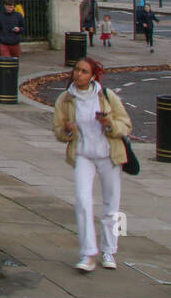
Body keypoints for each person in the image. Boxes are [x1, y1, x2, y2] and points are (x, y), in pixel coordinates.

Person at [52, 57, 131, 271]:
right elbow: (58, 130)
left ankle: (109, 251)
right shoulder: (65, 99)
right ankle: (88, 254)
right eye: (77, 70)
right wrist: (67, 129)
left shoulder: (106, 96)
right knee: (82, 201)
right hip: (83, 155)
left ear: (93, 75)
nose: (79, 74)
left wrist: (109, 124)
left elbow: (126, 125)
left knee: (111, 203)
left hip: (108, 154)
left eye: (84, 71)